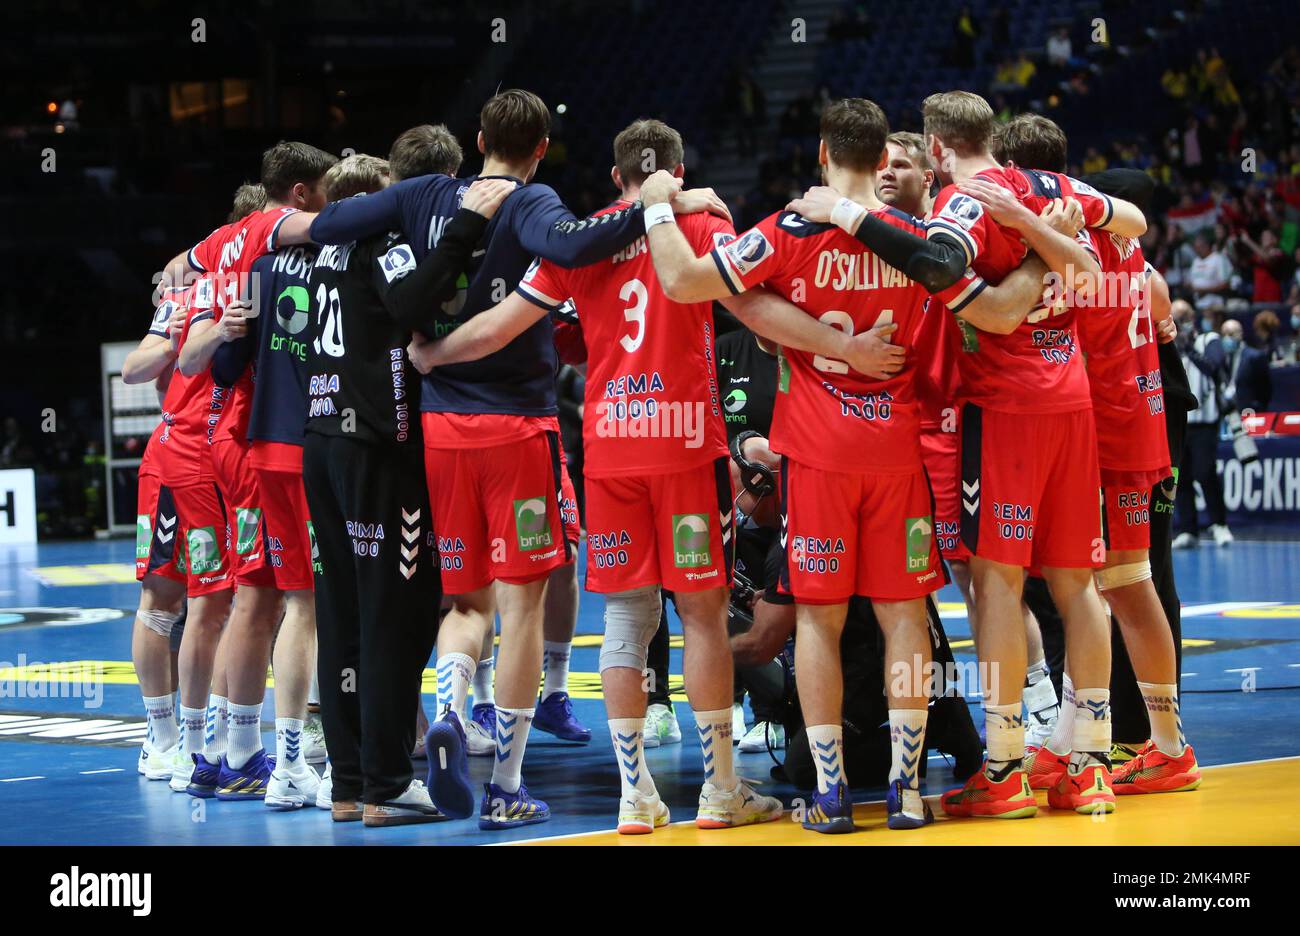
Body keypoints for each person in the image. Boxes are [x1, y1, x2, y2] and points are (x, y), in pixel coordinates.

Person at [409, 115, 911, 832]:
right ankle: (718, 792)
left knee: (624, 619)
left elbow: (499, 328)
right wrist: (843, 345)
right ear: (678, 169)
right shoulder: (703, 227)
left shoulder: (580, 239)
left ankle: (634, 796)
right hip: (686, 447)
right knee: (702, 616)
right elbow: (760, 315)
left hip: (612, 451)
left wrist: (432, 356)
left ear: (617, 178)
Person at [639, 96, 1068, 833]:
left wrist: (654, 204)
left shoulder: (789, 229)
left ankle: (832, 793)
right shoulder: (920, 237)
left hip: (817, 454)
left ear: (820, 154)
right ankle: (904, 792)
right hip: (900, 452)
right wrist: (1038, 249)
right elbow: (985, 312)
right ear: (884, 161)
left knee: (821, 622)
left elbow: (684, 283)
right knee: (906, 618)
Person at [310, 90, 729, 830]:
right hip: (526, 429)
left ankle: (450, 711)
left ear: (477, 138)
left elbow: (333, 222)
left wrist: (262, 232)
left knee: (466, 602)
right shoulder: (538, 206)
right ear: (542, 149)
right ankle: (505, 783)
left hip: (439, 428)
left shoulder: (422, 194)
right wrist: (662, 203)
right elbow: (566, 255)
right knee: (527, 603)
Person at [798, 91, 1148, 820]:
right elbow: (1126, 228)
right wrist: (1043, 238)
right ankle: (1089, 764)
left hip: (1006, 411)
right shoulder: (1055, 186)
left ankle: (1007, 766)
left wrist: (852, 216)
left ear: (935, 144)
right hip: (1072, 400)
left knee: (997, 586)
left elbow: (946, 274)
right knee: (1079, 587)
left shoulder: (962, 205)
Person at [993, 115, 1202, 797]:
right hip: (1137, 426)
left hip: (1096, 433)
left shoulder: (1056, 238)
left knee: (1092, 589)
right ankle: (1128, 742)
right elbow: (1137, 230)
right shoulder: (1110, 226)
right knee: (1120, 587)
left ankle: (1099, 743)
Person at [174, 141, 338, 799]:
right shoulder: (271, 255)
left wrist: (224, 321)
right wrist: (226, 328)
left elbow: (174, 271)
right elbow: (193, 359)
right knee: (276, 599)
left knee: (260, 597)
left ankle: (228, 750)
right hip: (256, 440)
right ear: (294, 199)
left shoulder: (224, 253)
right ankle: (246, 750)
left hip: (244, 435)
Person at [120, 290, 191, 782]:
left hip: (236, 460)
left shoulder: (262, 289)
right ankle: (160, 736)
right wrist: (172, 343)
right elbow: (132, 369)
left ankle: (208, 734)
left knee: (228, 604)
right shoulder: (185, 293)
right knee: (162, 599)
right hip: (176, 461)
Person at [1171, 300, 1233, 548]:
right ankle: (1188, 529)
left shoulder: (1209, 340)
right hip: (1180, 423)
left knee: (1205, 472)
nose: (1178, 322)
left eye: (1182, 317)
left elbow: (1214, 367)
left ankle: (1219, 524)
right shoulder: (1170, 345)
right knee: (1181, 477)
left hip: (1205, 423)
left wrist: (1191, 351)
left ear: (1191, 318)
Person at [1221, 318, 1272, 413]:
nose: (1227, 338)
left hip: (1250, 411)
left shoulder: (1255, 357)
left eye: (1231, 334)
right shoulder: (1223, 357)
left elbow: (1265, 388)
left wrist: (1258, 407)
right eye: (1224, 335)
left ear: (1240, 334)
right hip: (1229, 410)